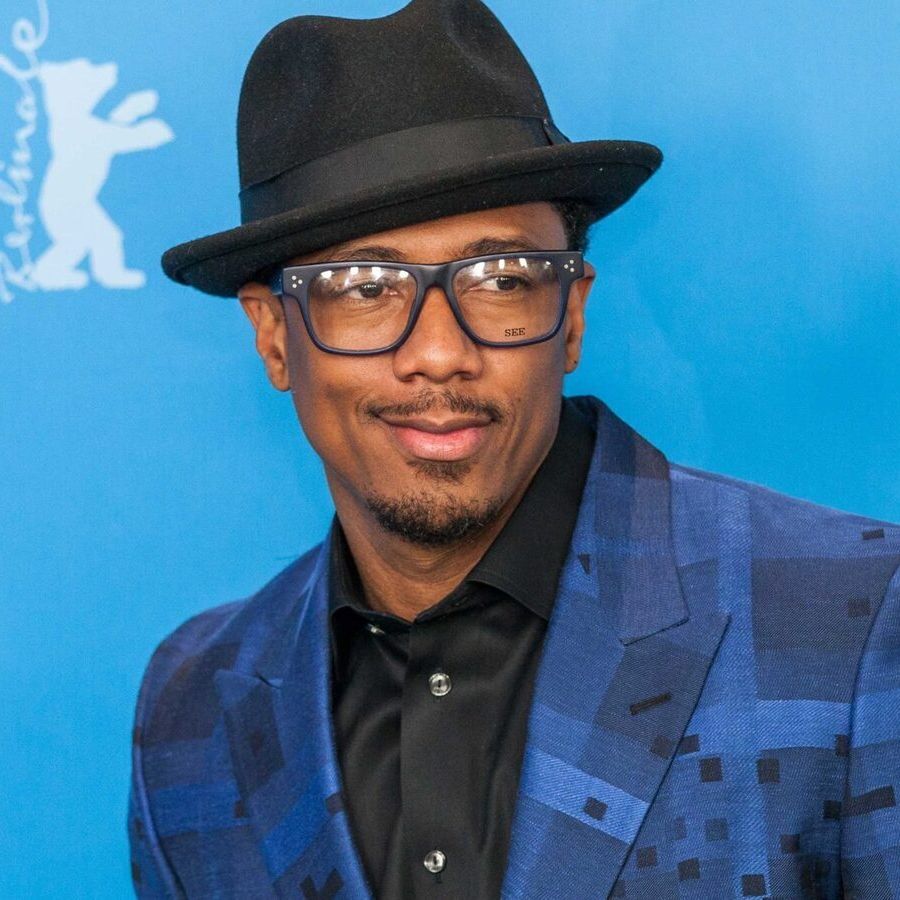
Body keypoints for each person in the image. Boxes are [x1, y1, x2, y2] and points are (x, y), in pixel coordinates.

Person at [128, 1, 900, 897]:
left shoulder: (853, 620)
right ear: (272, 337)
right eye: (365, 286)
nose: (438, 352)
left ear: (569, 316)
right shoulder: (191, 707)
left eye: (500, 279)